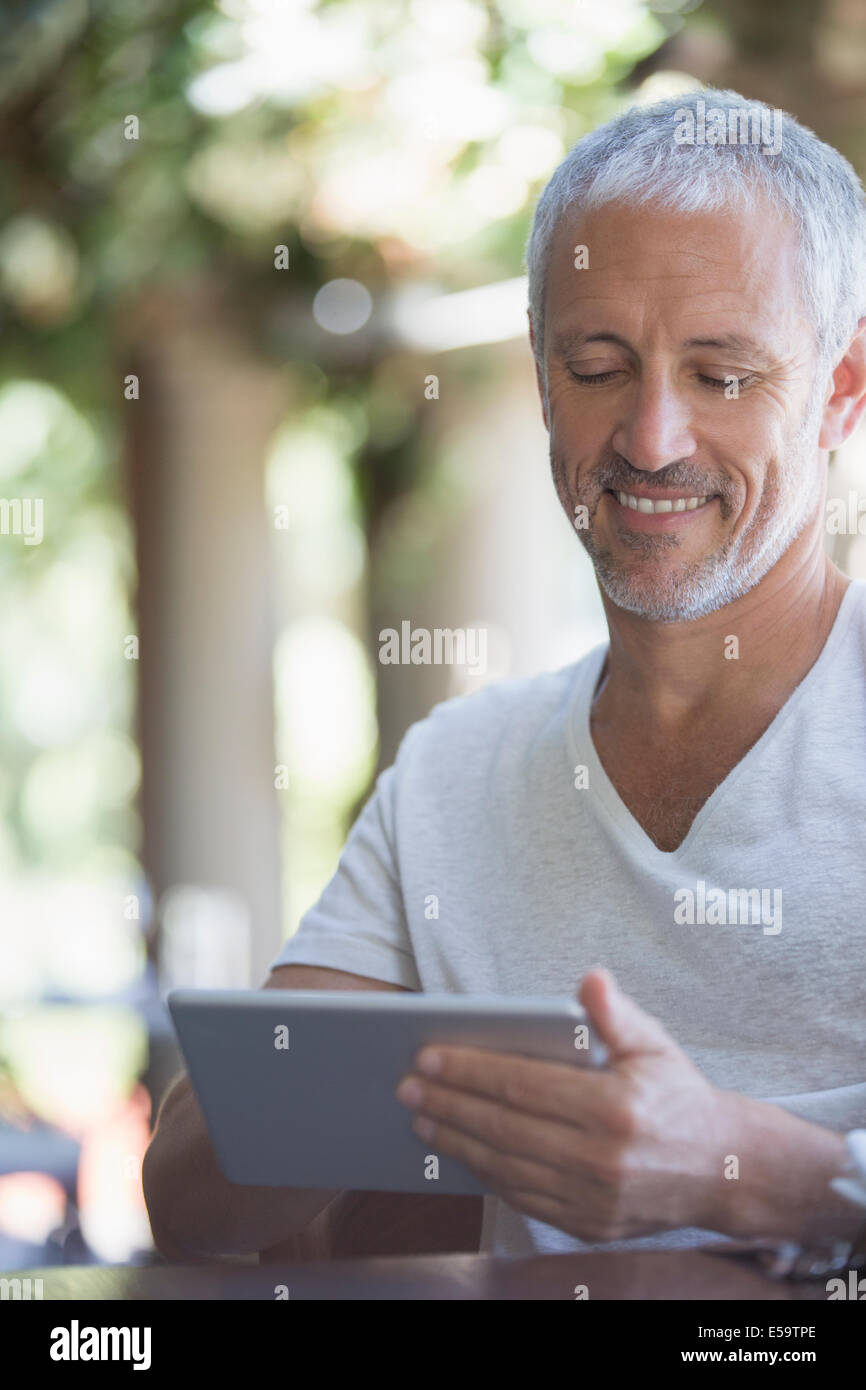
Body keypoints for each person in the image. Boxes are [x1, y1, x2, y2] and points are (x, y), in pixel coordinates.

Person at [144, 88, 866, 1265]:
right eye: (595, 364)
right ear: (539, 376)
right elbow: (189, 1203)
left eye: (720, 375)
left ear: (840, 385)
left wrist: (734, 1166)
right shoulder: (454, 772)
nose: (649, 438)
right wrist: (355, 1100)